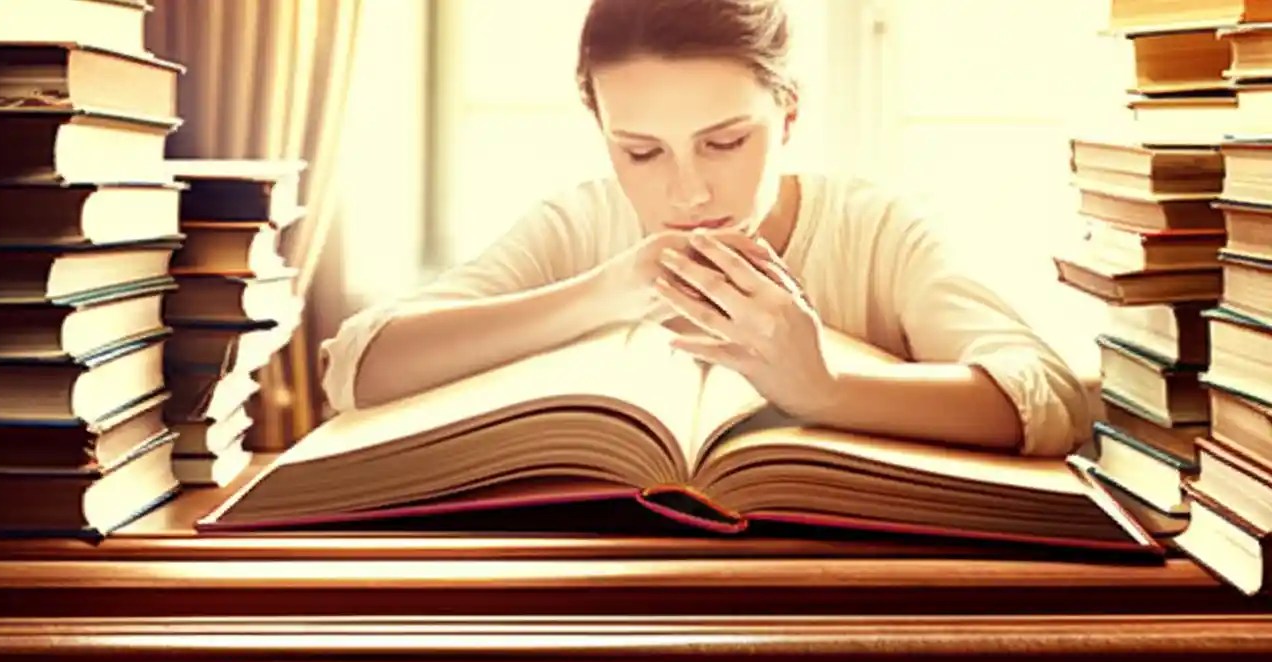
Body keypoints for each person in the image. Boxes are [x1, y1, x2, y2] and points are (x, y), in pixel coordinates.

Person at [320, 0, 1091, 457]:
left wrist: (824, 386)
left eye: (726, 142)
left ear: (788, 116)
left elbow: (1050, 398)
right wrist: (603, 294)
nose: (687, 190)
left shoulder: (875, 229)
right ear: (602, 132)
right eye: (642, 151)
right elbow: (357, 367)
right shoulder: (581, 224)